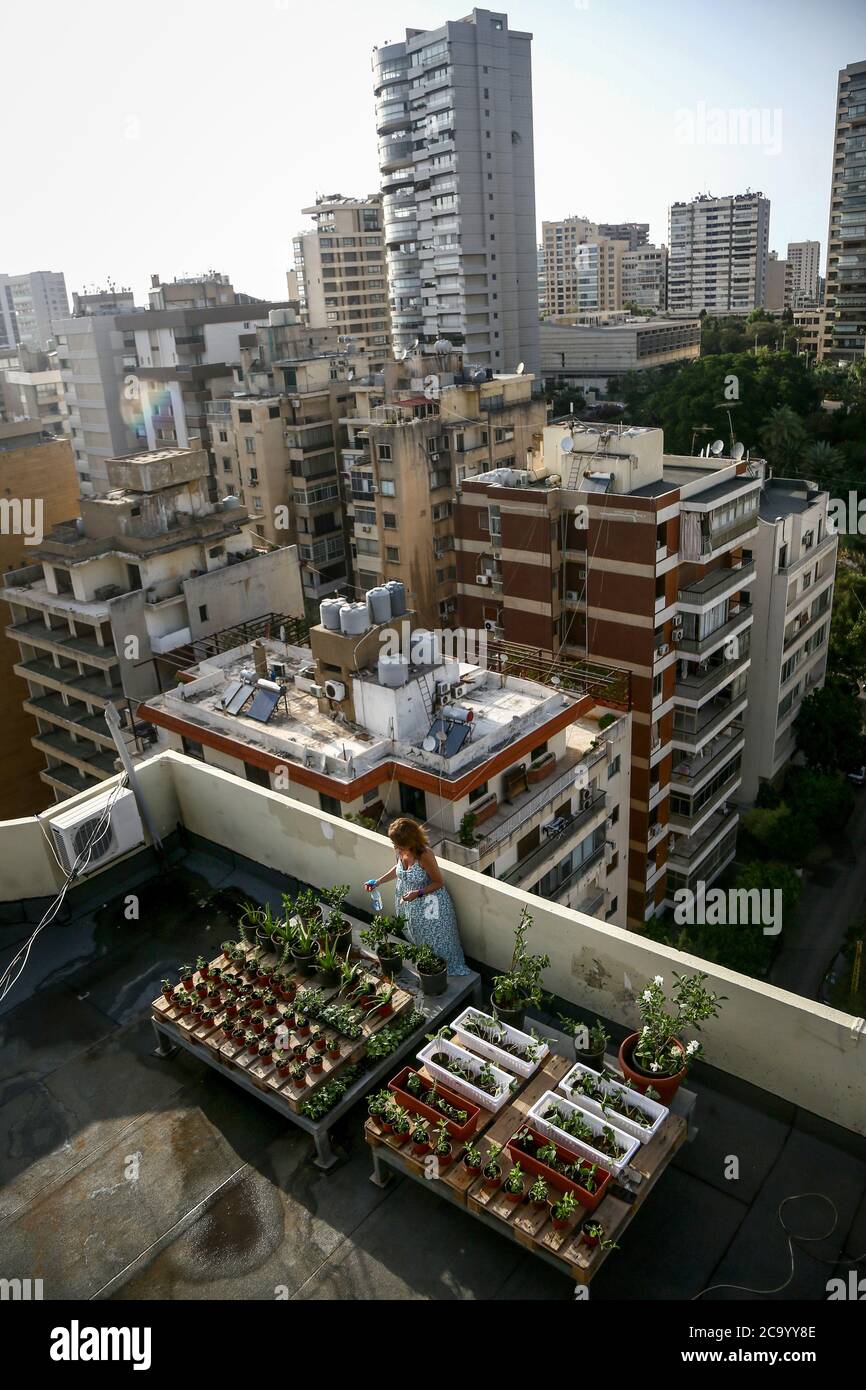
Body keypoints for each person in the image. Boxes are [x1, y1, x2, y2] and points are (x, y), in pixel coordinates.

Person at [365, 816, 469, 976]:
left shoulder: (424, 855)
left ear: (410, 841)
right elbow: (399, 869)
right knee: (419, 937)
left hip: (430, 905)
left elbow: (438, 882)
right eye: (394, 844)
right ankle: (429, 968)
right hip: (411, 904)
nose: (395, 847)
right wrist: (378, 881)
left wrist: (417, 893)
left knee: (437, 940)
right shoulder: (401, 850)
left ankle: (445, 972)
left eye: (398, 844)